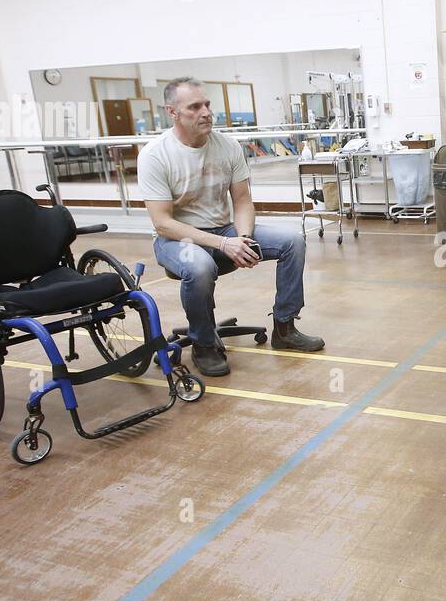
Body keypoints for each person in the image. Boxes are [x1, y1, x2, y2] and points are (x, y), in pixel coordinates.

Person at [138, 76, 324, 378]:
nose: (206, 112)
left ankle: (285, 327)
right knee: (199, 266)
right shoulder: (155, 155)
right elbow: (163, 224)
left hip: (224, 229)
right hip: (177, 241)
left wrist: (244, 239)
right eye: (195, 107)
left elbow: (242, 200)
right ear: (172, 112)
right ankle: (204, 344)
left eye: (207, 104)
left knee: (293, 240)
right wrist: (224, 245)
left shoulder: (227, 146)